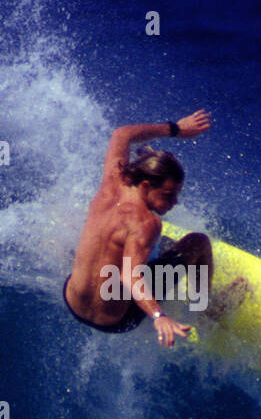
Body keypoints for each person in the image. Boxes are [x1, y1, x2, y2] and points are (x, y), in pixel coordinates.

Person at [64, 109, 214, 347]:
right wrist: (159, 316)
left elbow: (121, 135)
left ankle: (148, 157)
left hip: (72, 302)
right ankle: (204, 310)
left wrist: (176, 128)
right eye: (168, 195)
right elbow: (129, 276)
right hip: (117, 320)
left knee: (134, 245)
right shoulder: (147, 223)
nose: (174, 202)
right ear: (145, 184)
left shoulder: (111, 183)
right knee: (198, 242)